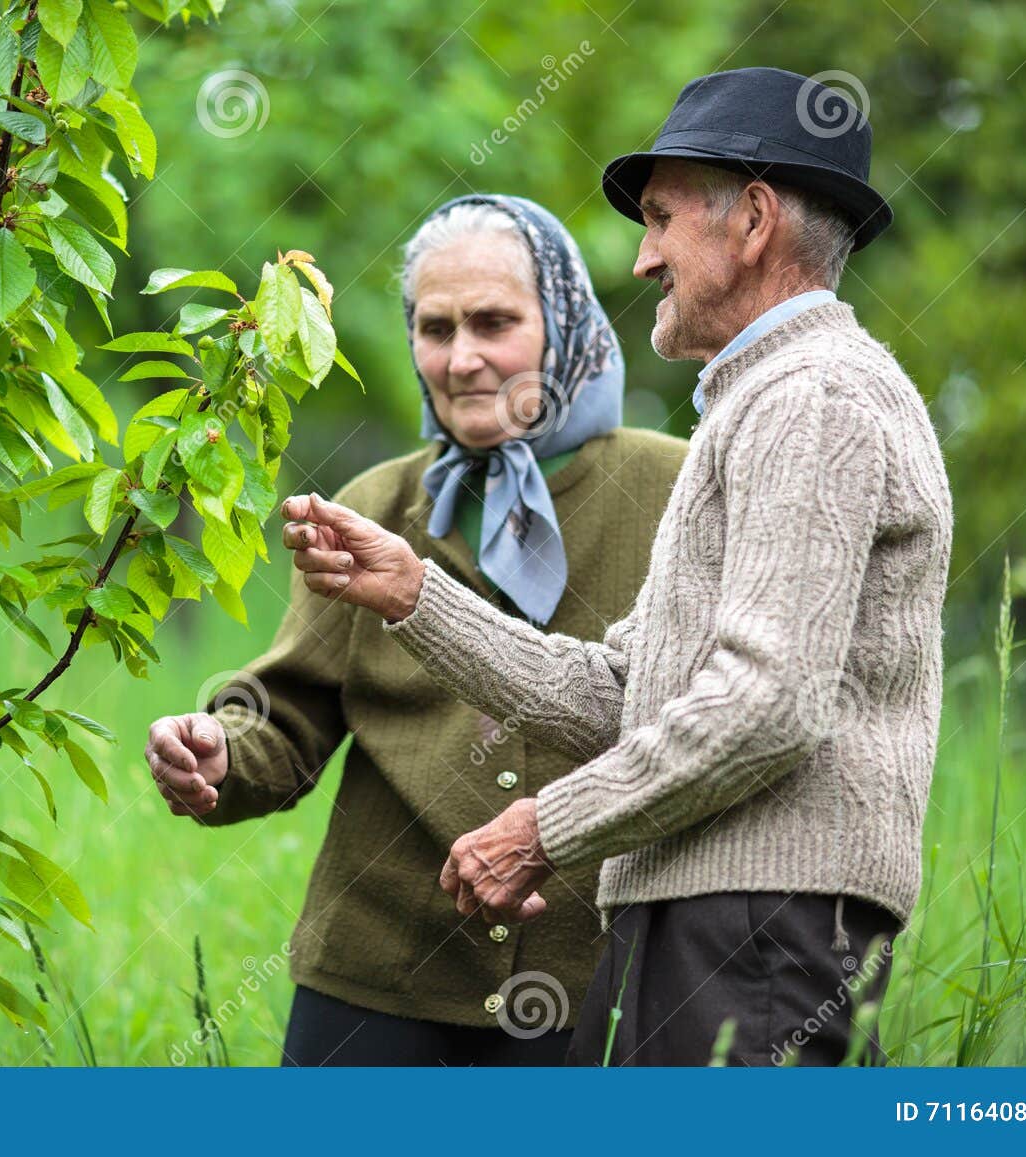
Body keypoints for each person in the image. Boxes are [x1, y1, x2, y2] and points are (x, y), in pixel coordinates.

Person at [277, 68, 955, 1066]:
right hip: (706, 913)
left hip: (758, 924)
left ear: (755, 220)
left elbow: (767, 702)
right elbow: (623, 690)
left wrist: (544, 827)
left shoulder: (814, 398)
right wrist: (413, 594)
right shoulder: (759, 402)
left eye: (661, 219)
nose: (640, 261)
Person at [143, 193, 688, 1066]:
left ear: (568, 323)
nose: (463, 357)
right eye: (435, 328)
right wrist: (222, 750)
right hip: (378, 968)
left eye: (495, 321)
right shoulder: (374, 507)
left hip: (594, 969)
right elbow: (290, 716)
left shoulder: (678, 491)